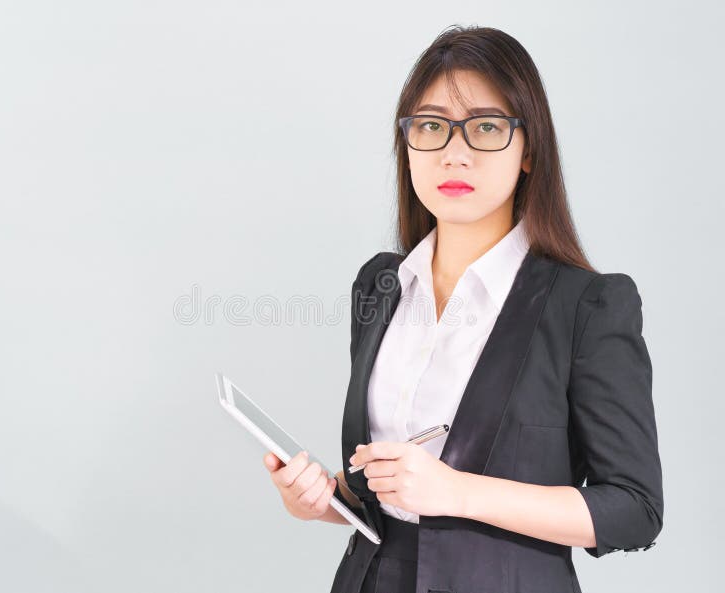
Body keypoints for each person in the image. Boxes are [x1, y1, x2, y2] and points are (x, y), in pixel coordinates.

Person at [263, 24, 663, 593]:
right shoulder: (381, 285)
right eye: (430, 126)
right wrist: (324, 500)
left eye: (485, 127)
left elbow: (634, 508)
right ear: (407, 145)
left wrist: (458, 492)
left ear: (529, 151)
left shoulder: (588, 306)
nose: (454, 152)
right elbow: (386, 493)